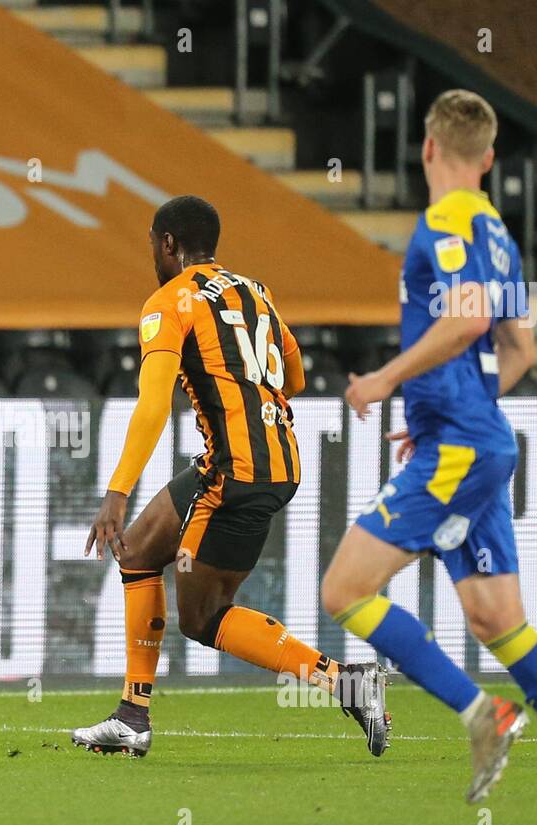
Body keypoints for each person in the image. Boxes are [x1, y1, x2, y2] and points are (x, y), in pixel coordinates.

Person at [321, 90, 537, 825]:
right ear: (490, 158)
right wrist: (447, 403)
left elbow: (464, 319)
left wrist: (386, 380)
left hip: (462, 444)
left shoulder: (443, 221)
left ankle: (482, 714)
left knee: (345, 589)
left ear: (428, 148)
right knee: (498, 619)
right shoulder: (501, 234)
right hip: (480, 438)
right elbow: (519, 348)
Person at [75, 195, 390, 759]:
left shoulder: (169, 302)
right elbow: (294, 371)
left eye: (152, 241)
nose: (152, 252)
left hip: (235, 471)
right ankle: (132, 716)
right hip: (269, 459)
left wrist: (116, 492)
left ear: (168, 244)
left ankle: (346, 683)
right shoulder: (255, 292)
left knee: (202, 616)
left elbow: (152, 405)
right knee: (141, 552)